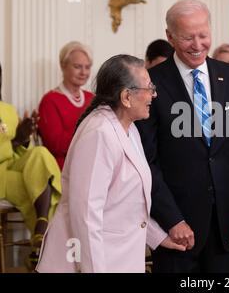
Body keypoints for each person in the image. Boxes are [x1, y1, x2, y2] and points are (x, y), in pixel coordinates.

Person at [136, 0, 229, 273]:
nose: (197, 44)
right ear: (170, 37)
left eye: (203, 35)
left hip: (228, 227)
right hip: (177, 231)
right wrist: (171, 219)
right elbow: (147, 162)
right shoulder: (150, 82)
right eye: (187, 37)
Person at [36, 55, 186, 273]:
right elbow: (86, 214)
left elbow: (128, 203)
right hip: (88, 261)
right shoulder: (99, 133)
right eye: (149, 87)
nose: (154, 94)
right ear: (126, 96)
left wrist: (158, 237)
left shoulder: (130, 127)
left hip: (119, 256)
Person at [0, 61, 62, 265]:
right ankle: (47, 242)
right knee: (37, 183)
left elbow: (19, 149)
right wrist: (16, 140)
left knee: (40, 154)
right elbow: (12, 143)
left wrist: (25, 136)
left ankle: (41, 227)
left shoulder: (8, 110)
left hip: (12, 163)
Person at [38, 41, 95, 170]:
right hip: (65, 169)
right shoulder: (50, 101)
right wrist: (89, 131)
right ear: (63, 66)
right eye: (77, 66)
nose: (83, 72)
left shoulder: (92, 98)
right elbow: (56, 145)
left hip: (94, 163)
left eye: (87, 67)